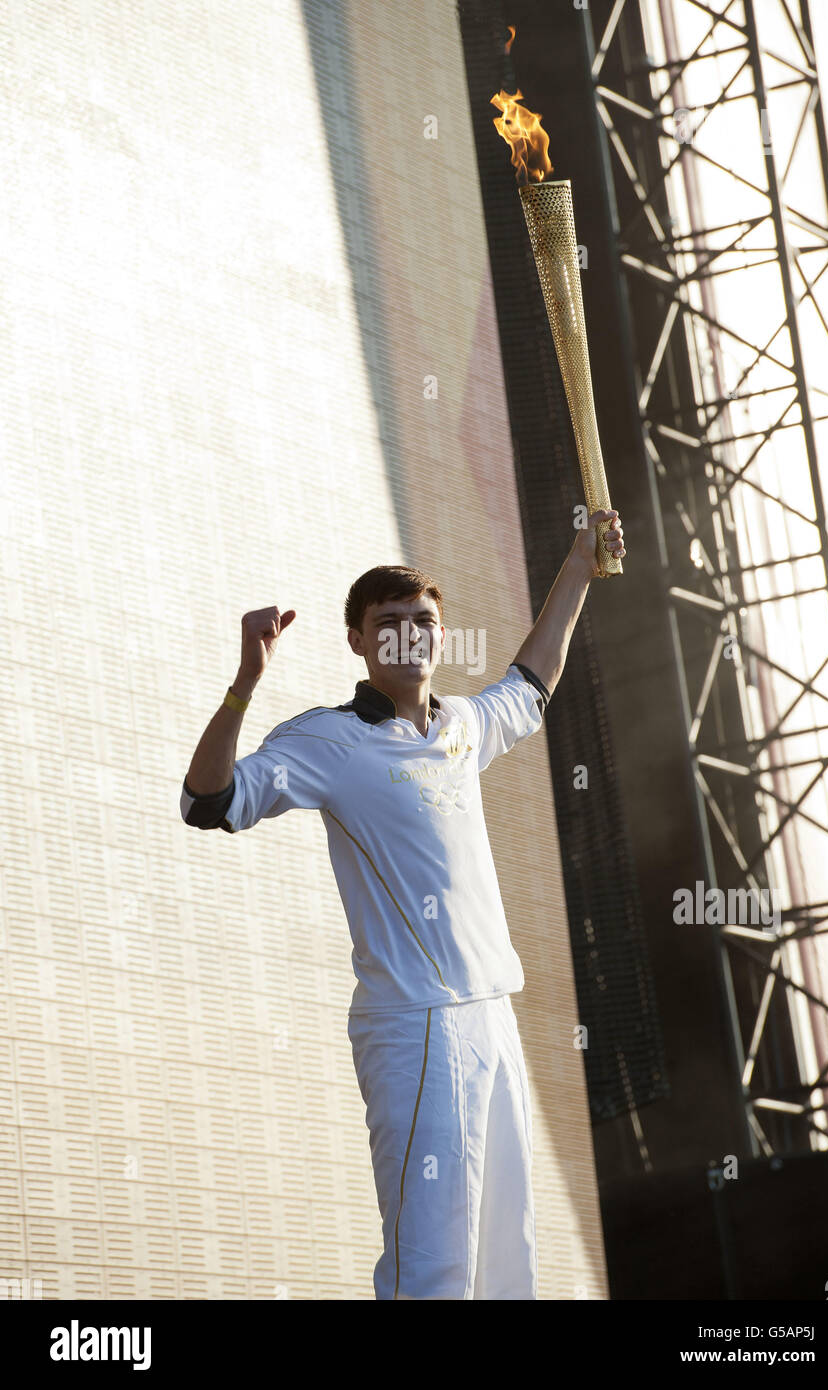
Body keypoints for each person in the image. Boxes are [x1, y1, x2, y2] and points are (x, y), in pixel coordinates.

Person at [180, 509, 625, 1298]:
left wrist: (579, 567)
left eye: (422, 621)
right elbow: (207, 802)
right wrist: (243, 684)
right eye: (387, 623)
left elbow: (530, 683)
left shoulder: (460, 726)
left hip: (492, 1014)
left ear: (440, 638)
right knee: (432, 1265)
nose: (407, 635)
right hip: (417, 1025)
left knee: (504, 1260)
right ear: (357, 640)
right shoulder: (326, 740)